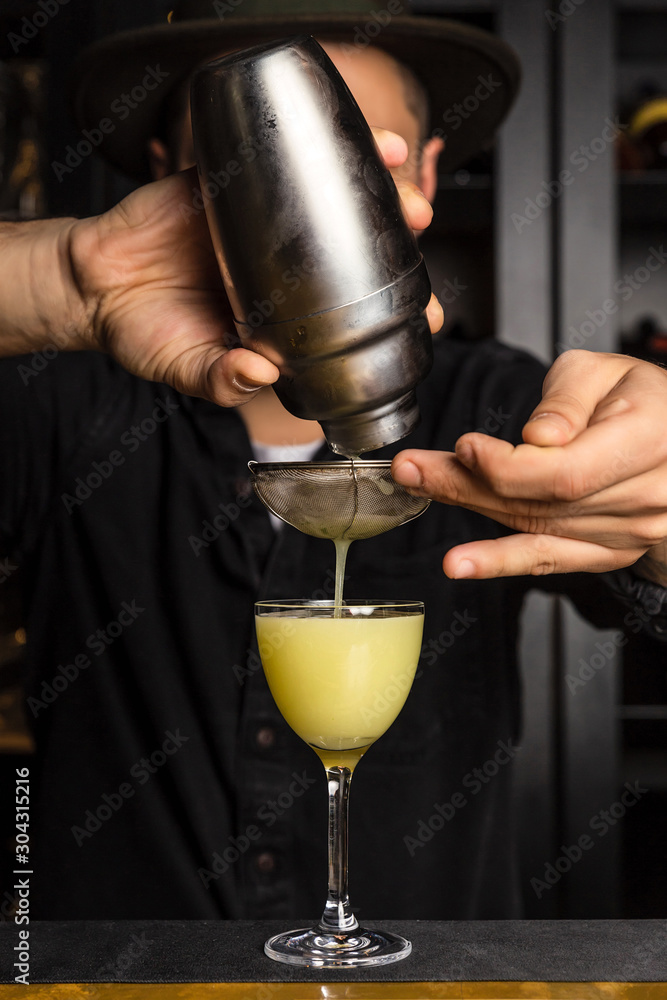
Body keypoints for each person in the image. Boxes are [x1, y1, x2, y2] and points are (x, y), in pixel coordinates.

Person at [1, 0, 666, 923]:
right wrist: (62, 277)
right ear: (172, 182)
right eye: (252, 173)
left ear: (420, 180)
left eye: (358, 159)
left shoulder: (502, 408)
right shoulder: (56, 406)